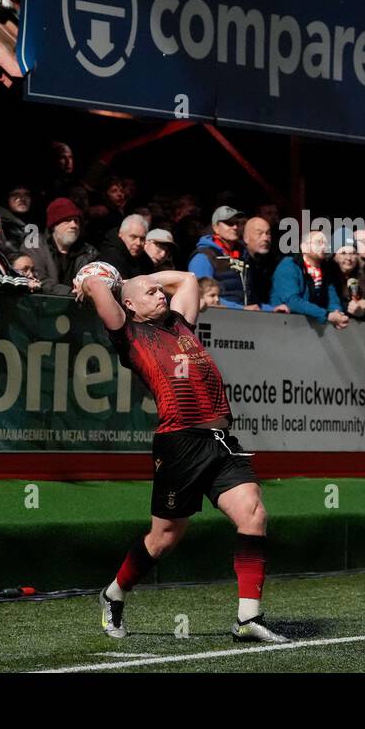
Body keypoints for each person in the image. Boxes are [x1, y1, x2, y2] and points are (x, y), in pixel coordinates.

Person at [75, 265, 290, 644]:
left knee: (253, 513)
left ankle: (248, 618)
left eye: (161, 290)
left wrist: (141, 279)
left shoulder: (181, 323)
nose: (161, 293)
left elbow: (188, 279)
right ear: (128, 304)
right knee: (165, 538)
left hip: (222, 441)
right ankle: (113, 594)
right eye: (151, 292)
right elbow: (94, 284)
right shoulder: (128, 333)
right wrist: (109, 281)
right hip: (180, 444)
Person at [270, 230, 349, 328]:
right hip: (282, 325)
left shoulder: (326, 269)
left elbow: (332, 297)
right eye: (319, 242)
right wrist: (327, 315)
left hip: (309, 327)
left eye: (326, 243)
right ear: (304, 247)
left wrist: (337, 313)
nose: (324, 246)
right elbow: (293, 301)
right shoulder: (289, 265)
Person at [26, 197, 99, 296]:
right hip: (43, 305)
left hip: (78, 308)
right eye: (67, 221)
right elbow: (40, 280)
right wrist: (71, 293)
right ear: (54, 226)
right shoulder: (35, 246)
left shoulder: (89, 252)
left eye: (76, 220)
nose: (74, 225)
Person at [100, 213, 155, 280]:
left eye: (142, 238)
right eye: (133, 237)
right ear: (121, 234)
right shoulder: (111, 255)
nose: (138, 243)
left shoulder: (145, 260)